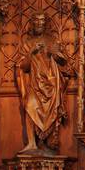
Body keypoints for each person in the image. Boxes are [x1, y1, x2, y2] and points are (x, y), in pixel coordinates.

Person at [15, 13, 67, 151]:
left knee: (51, 112)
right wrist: (31, 52)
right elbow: (23, 67)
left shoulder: (52, 40)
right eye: (36, 20)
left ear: (45, 24)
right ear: (32, 23)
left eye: (42, 21)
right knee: (29, 106)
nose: (39, 23)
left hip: (51, 84)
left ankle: (48, 143)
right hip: (34, 83)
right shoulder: (27, 44)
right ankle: (32, 143)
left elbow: (64, 63)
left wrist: (54, 53)